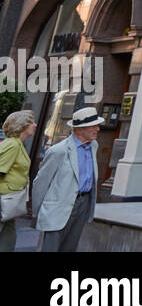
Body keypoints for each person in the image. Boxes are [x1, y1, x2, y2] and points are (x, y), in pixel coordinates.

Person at [31, 106, 102, 252]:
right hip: (58, 207)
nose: (98, 129)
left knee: (70, 247)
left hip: (83, 203)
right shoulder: (58, 151)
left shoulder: (93, 145)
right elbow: (40, 184)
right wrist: (37, 213)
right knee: (51, 248)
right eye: (93, 126)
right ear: (79, 129)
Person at [0, 109, 36, 252]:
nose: (35, 125)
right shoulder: (12, 145)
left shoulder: (18, 144)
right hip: (3, 200)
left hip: (9, 202)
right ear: (23, 125)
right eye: (32, 122)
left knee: (8, 240)